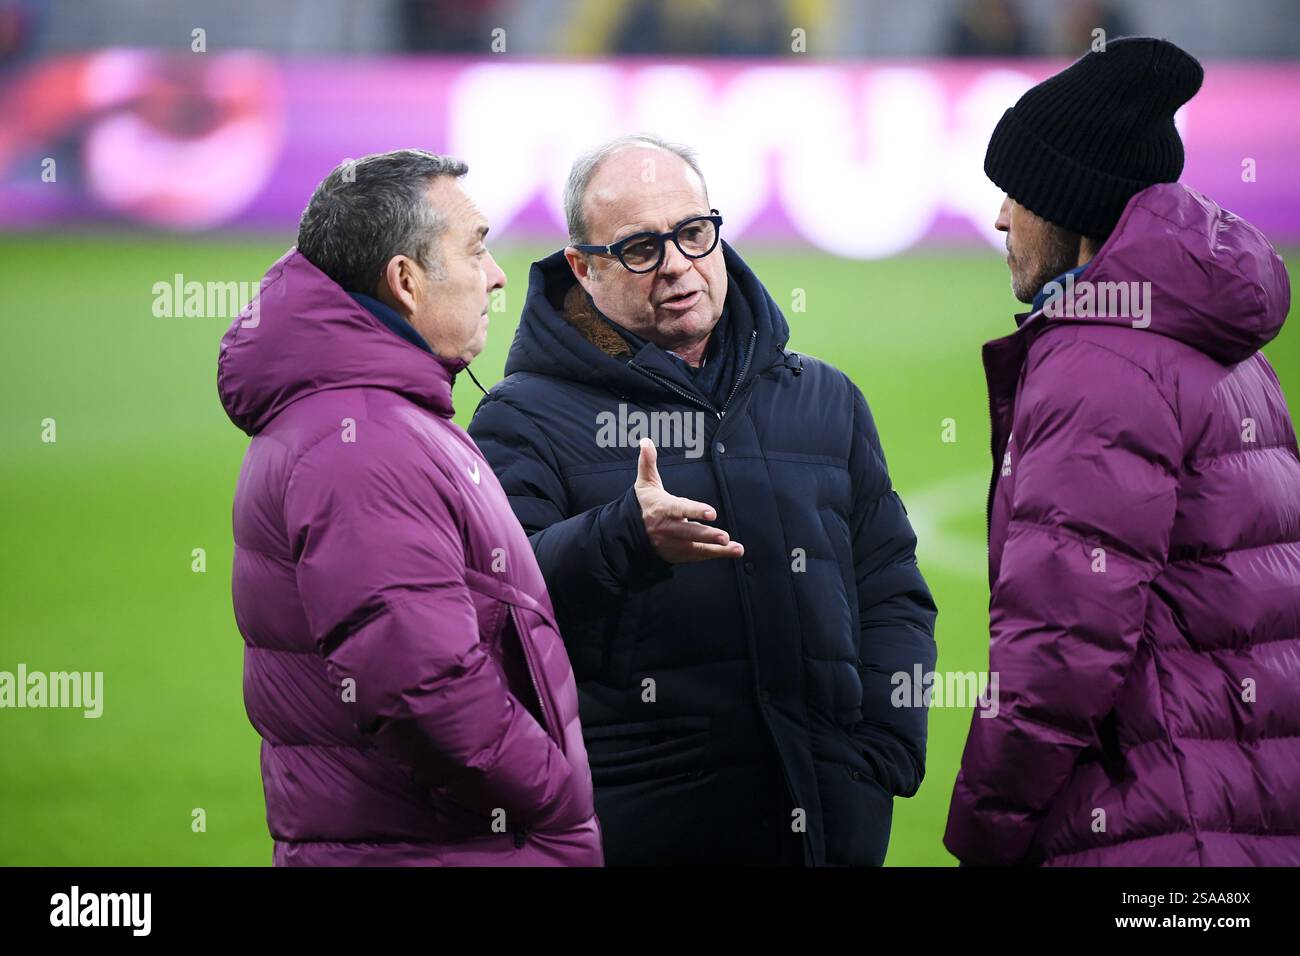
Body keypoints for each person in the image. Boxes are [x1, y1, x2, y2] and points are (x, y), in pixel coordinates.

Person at [469, 134, 937, 866]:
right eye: (639, 249)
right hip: (641, 830)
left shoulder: (824, 397)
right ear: (583, 269)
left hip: (829, 822)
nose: (678, 266)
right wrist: (622, 536)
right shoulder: (521, 417)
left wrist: (882, 750)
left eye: (692, 234)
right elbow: (496, 608)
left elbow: (891, 588)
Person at [945, 38, 1300, 866]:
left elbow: (1059, 649)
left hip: (1150, 822)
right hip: (1245, 803)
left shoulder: (1096, 364)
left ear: (1073, 211)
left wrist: (986, 830)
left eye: (1018, 194)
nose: (1000, 217)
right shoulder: (1225, 343)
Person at [218, 149, 602, 866]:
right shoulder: (364, 443)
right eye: (477, 248)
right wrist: (557, 796)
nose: (495, 276)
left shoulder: (365, 418)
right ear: (405, 281)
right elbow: (423, 688)